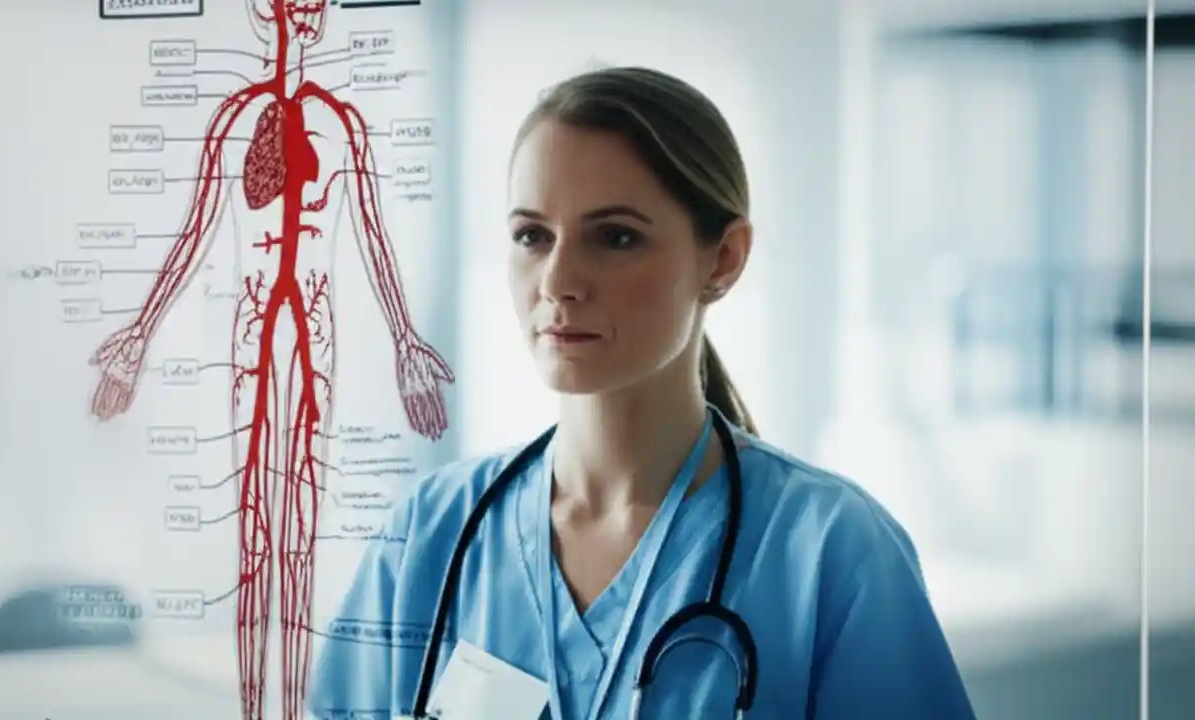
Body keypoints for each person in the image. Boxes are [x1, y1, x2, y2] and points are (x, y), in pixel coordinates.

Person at [306, 65, 976, 719]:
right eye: (532, 236)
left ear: (724, 259)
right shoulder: (433, 533)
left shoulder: (832, 552)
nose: (558, 281)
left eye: (616, 237)